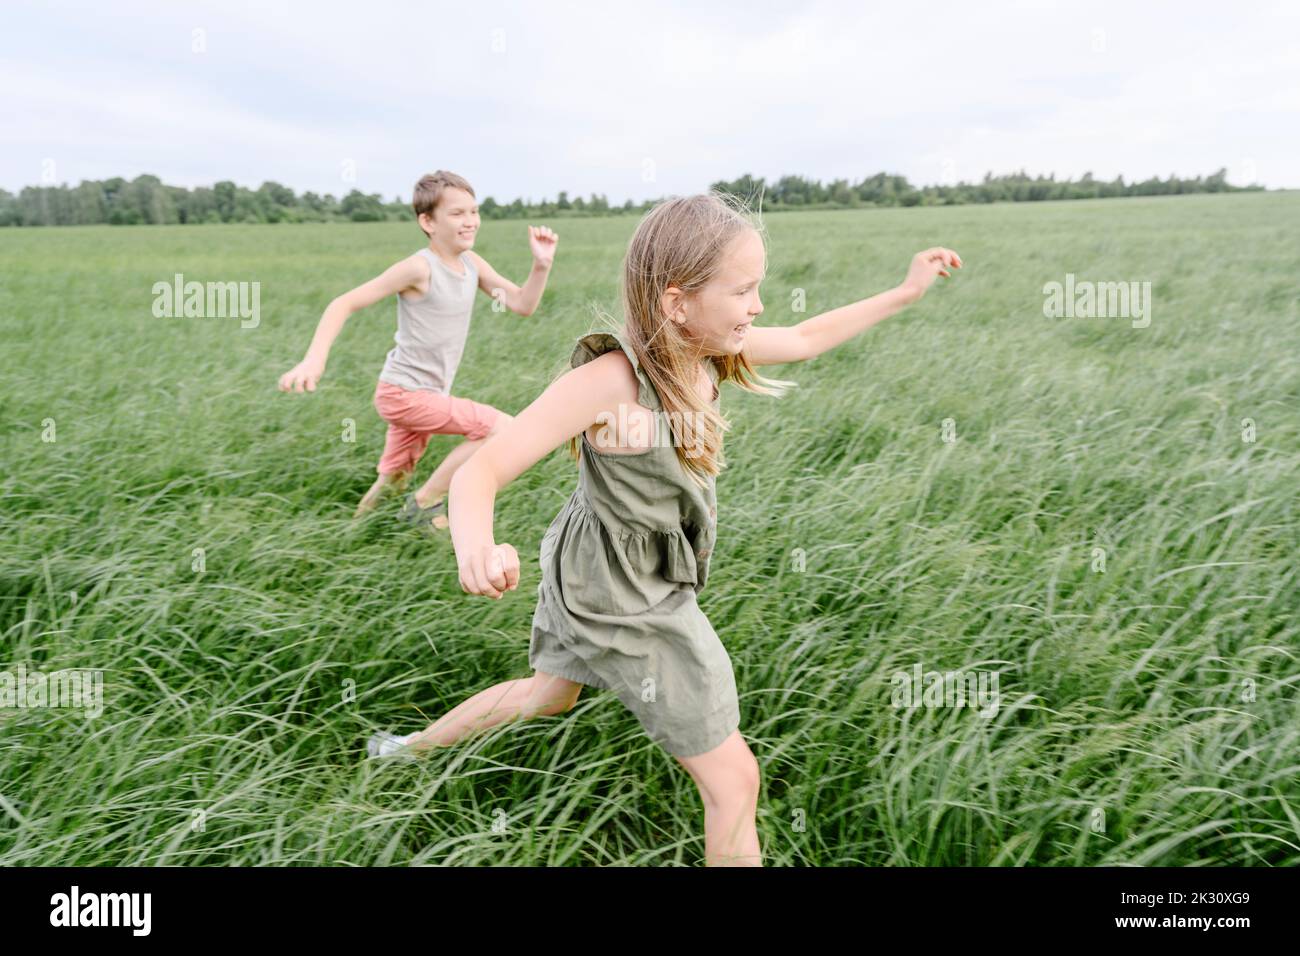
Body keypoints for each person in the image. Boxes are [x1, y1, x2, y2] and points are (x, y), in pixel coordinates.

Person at [367, 191, 962, 866]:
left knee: (550, 693)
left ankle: (404, 752)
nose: (758, 306)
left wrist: (906, 291)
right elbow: (484, 470)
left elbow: (804, 337)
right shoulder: (613, 378)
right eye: (742, 290)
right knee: (735, 780)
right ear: (678, 303)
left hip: (593, 566)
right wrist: (475, 546)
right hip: (624, 594)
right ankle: (407, 752)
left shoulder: (707, 354)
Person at [277, 170, 559, 527]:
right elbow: (344, 302)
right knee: (501, 428)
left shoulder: (473, 265)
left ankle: (350, 533)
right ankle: (426, 504)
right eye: (457, 214)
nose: (470, 221)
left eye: (474, 211)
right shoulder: (418, 268)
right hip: (404, 393)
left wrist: (541, 265)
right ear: (427, 221)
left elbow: (521, 303)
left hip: (425, 394)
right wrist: (313, 361)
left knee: (393, 480)